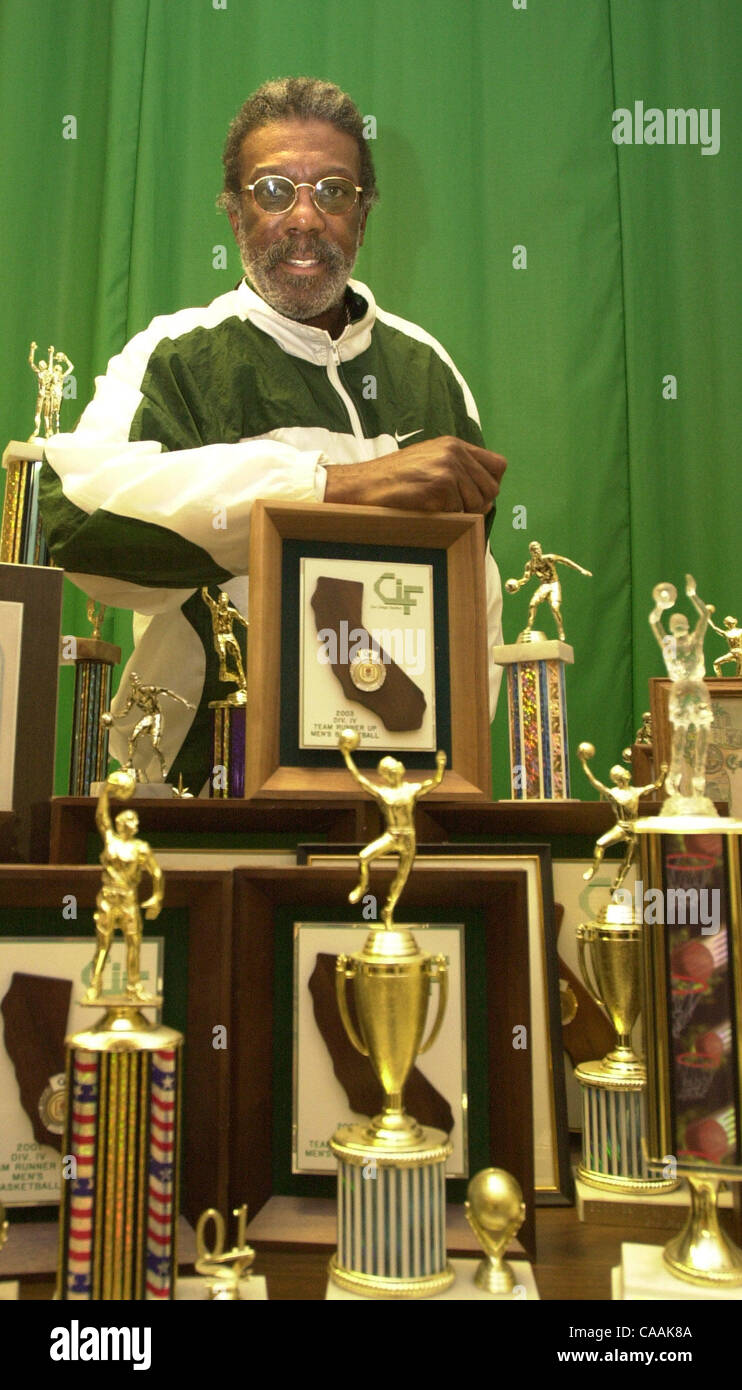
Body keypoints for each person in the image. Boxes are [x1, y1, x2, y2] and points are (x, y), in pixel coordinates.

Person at [39, 77, 506, 792]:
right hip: (206, 800)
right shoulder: (175, 356)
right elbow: (75, 524)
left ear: (365, 211)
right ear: (233, 211)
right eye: (274, 189)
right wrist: (328, 487)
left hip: (404, 796)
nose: (306, 218)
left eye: (334, 191)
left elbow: (466, 594)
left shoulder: (428, 370)